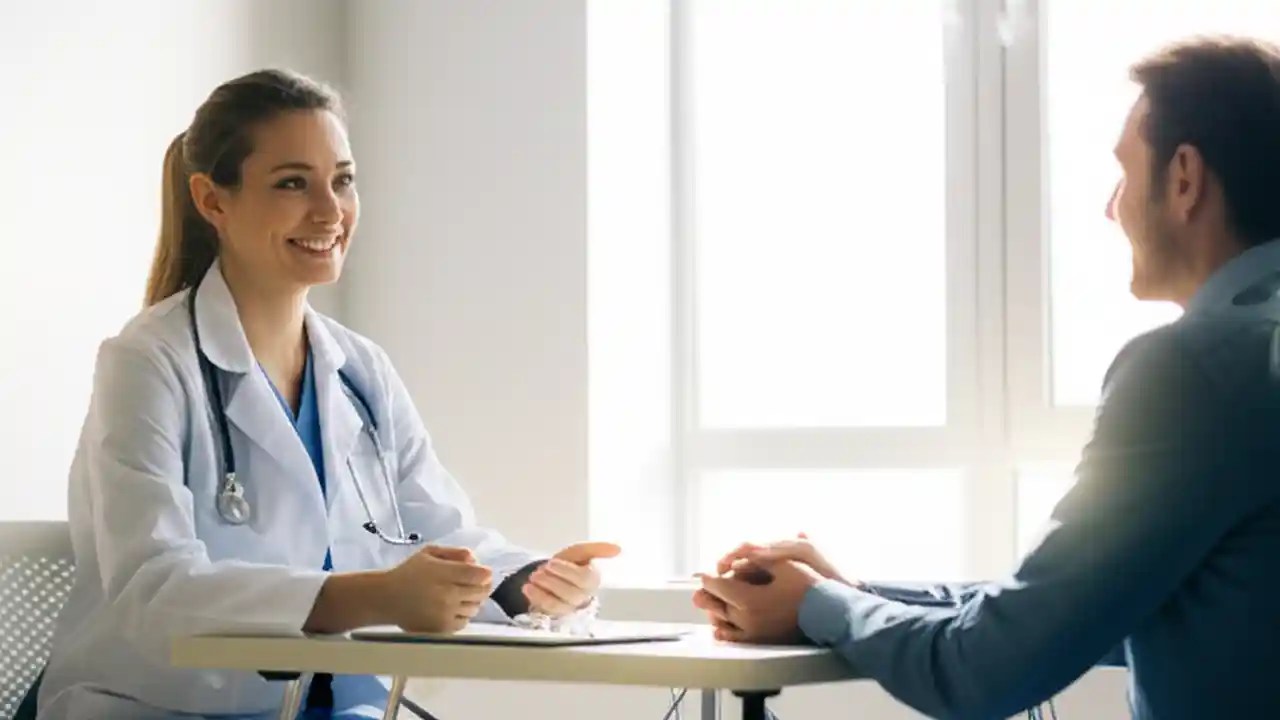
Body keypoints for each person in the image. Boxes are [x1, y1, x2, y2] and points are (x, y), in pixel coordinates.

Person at [695, 36, 1280, 720]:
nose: (1110, 206)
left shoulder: (1194, 375)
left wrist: (822, 605)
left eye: (1124, 172)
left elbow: (989, 670)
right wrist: (847, 591)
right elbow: (1085, 611)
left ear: (1184, 178)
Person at [30, 69, 619, 720]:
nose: (329, 211)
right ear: (212, 201)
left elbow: (441, 533)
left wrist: (527, 584)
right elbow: (154, 588)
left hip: (334, 705)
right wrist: (374, 596)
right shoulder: (146, 364)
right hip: (162, 708)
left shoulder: (359, 371)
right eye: (292, 183)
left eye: (342, 180)